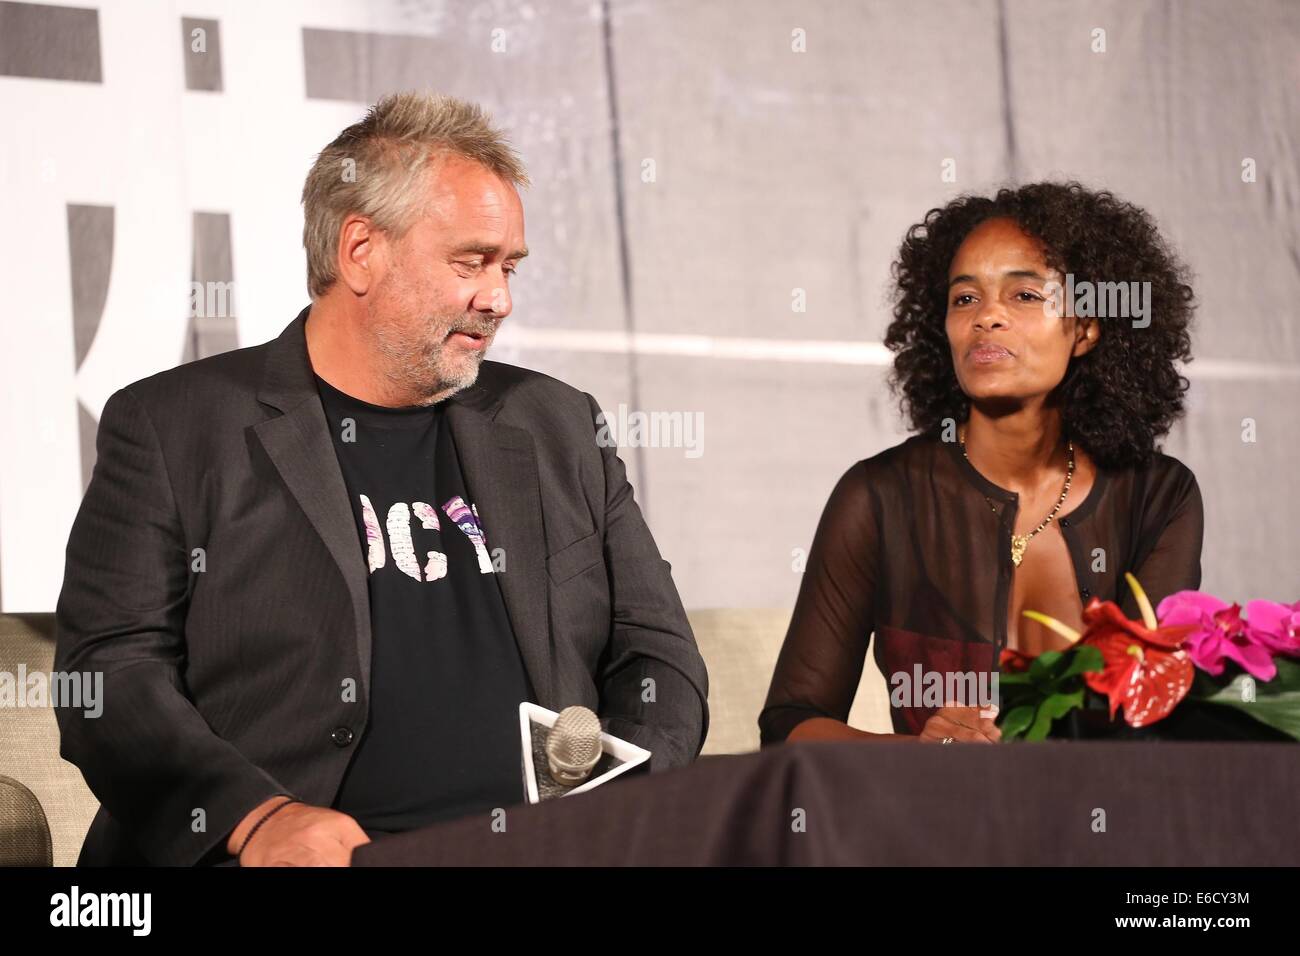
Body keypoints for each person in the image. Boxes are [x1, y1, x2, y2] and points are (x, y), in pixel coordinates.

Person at [55, 91, 708, 867]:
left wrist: (612, 807)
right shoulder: (177, 425)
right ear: (361, 250)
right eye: (471, 261)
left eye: (508, 267)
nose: (498, 298)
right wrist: (257, 819)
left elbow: (659, 656)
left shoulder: (556, 425)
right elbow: (107, 676)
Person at [760, 182, 1201, 746]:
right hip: (937, 825)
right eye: (965, 298)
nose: (987, 317)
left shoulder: (1157, 496)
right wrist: (921, 753)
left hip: (1108, 821)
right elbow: (791, 722)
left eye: (1023, 296)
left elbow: (1155, 712)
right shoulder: (879, 496)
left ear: (1086, 329)